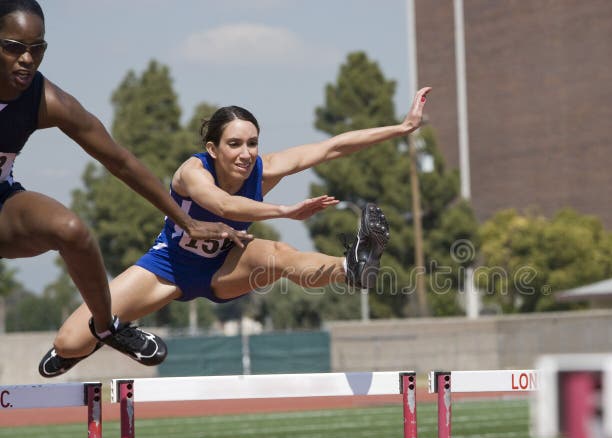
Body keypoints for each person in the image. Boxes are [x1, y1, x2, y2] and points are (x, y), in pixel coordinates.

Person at [38, 80, 432, 377]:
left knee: (279, 256)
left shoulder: (262, 170)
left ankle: (351, 268)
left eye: (253, 143)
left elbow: (331, 147)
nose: (246, 153)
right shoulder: (191, 173)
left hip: (226, 267)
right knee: (69, 342)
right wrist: (283, 210)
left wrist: (400, 129)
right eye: (235, 144)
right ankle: (111, 332)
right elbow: (223, 205)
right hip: (169, 267)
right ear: (213, 148)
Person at [0, 0, 252, 367]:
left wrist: (187, 222)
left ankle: (105, 327)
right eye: (13, 48)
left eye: (37, 49)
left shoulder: (46, 99)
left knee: (72, 231)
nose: (27, 59)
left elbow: (120, 161)